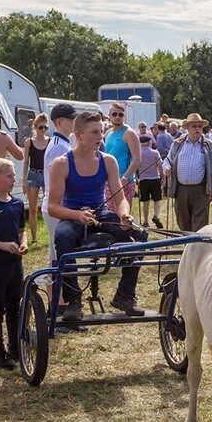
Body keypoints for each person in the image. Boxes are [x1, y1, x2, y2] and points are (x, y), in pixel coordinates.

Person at [47, 111, 148, 321]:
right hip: (73, 214)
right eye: (94, 132)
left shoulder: (108, 161)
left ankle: (125, 296)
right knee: (63, 236)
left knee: (139, 234)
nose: (100, 136)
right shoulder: (61, 163)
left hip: (100, 213)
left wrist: (124, 215)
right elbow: (53, 207)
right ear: (79, 135)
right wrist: (76, 214)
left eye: (101, 131)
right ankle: (73, 300)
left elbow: (119, 197)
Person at [0, 158, 27, 370]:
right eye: (9, 176)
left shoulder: (17, 203)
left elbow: (22, 231)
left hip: (15, 263)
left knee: (14, 306)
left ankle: (15, 346)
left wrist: (24, 243)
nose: (14, 179)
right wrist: (1, 245)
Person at [163, 113, 212, 232]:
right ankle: (188, 246)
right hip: (181, 190)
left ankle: (196, 247)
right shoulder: (178, 143)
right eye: (194, 126)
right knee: (183, 223)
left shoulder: (209, 145)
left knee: (199, 226)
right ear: (187, 128)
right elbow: (167, 160)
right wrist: (167, 168)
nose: (197, 129)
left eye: (200, 126)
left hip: (201, 190)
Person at [41, 104, 77, 285]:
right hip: (56, 207)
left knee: (56, 255)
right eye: (71, 119)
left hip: (60, 206)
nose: (74, 122)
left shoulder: (64, 143)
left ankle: (56, 297)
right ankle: (57, 300)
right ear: (59, 122)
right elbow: (57, 180)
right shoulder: (58, 147)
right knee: (58, 257)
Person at [104, 102, 141, 212]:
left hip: (125, 181)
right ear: (109, 116)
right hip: (109, 180)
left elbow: (137, 159)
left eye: (121, 114)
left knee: (122, 216)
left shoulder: (129, 133)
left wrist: (125, 178)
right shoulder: (108, 134)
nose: (117, 117)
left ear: (124, 116)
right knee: (109, 215)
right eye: (114, 114)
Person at [22, 113, 50, 245]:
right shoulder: (29, 142)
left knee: (49, 205)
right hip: (33, 174)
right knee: (32, 209)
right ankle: (34, 238)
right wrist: (23, 181)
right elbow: (26, 162)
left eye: (45, 128)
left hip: (46, 174)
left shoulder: (50, 141)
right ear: (35, 127)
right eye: (40, 127)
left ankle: (51, 232)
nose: (43, 130)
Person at [137, 134, 163, 228]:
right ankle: (156, 216)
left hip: (143, 179)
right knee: (157, 199)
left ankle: (145, 221)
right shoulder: (155, 152)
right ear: (149, 142)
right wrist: (162, 177)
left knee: (145, 201)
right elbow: (160, 165)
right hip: (155, 178)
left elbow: (135, 166)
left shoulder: (137, 153)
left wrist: (137, 177)